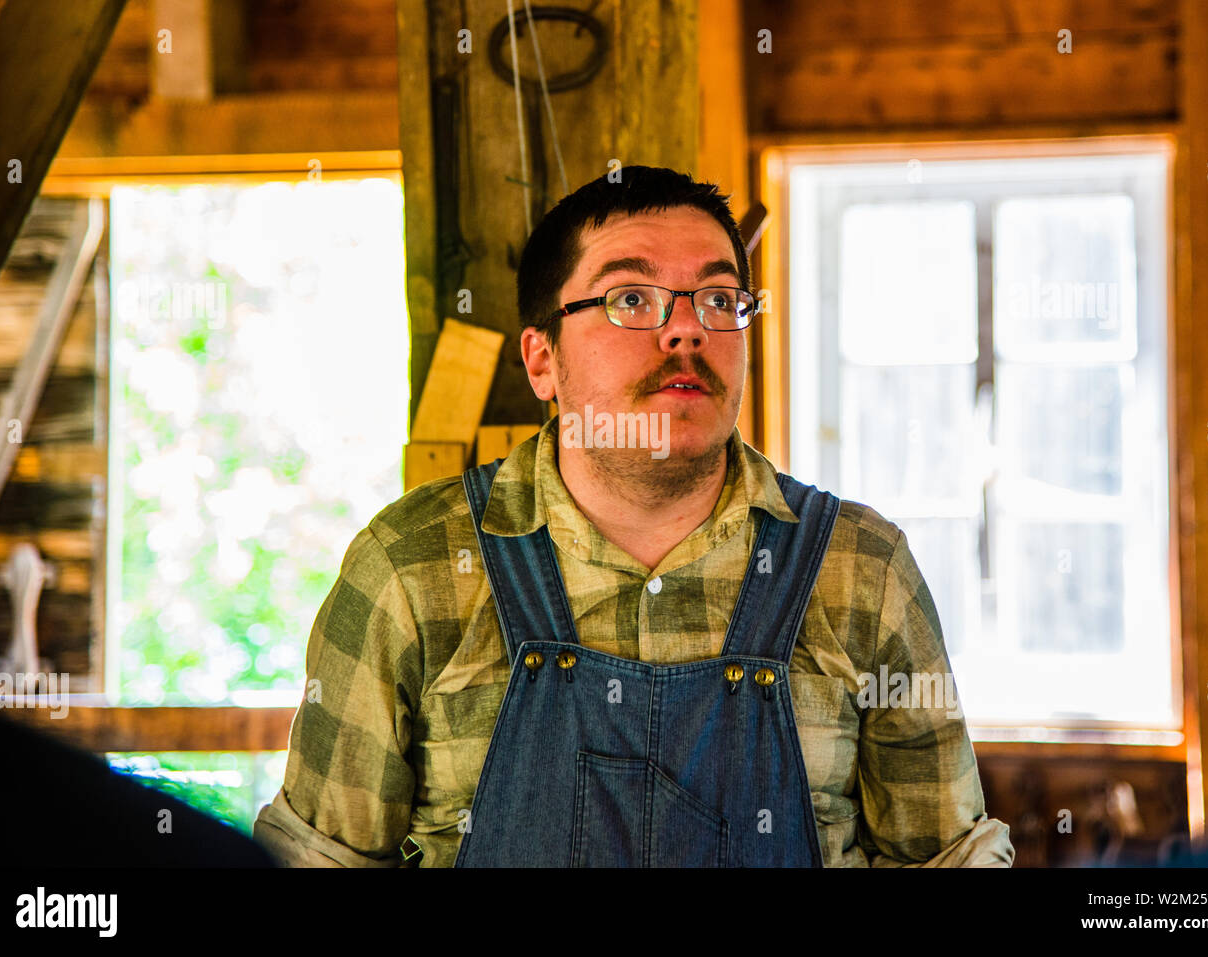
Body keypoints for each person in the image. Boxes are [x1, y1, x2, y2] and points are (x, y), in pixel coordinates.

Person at [253, 166, 1014, 868]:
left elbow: (945, 860)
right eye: (632, 299)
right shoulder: (410, 570)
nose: (688, 330)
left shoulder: (861, 569)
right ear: (542, 360)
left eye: (719, 300)